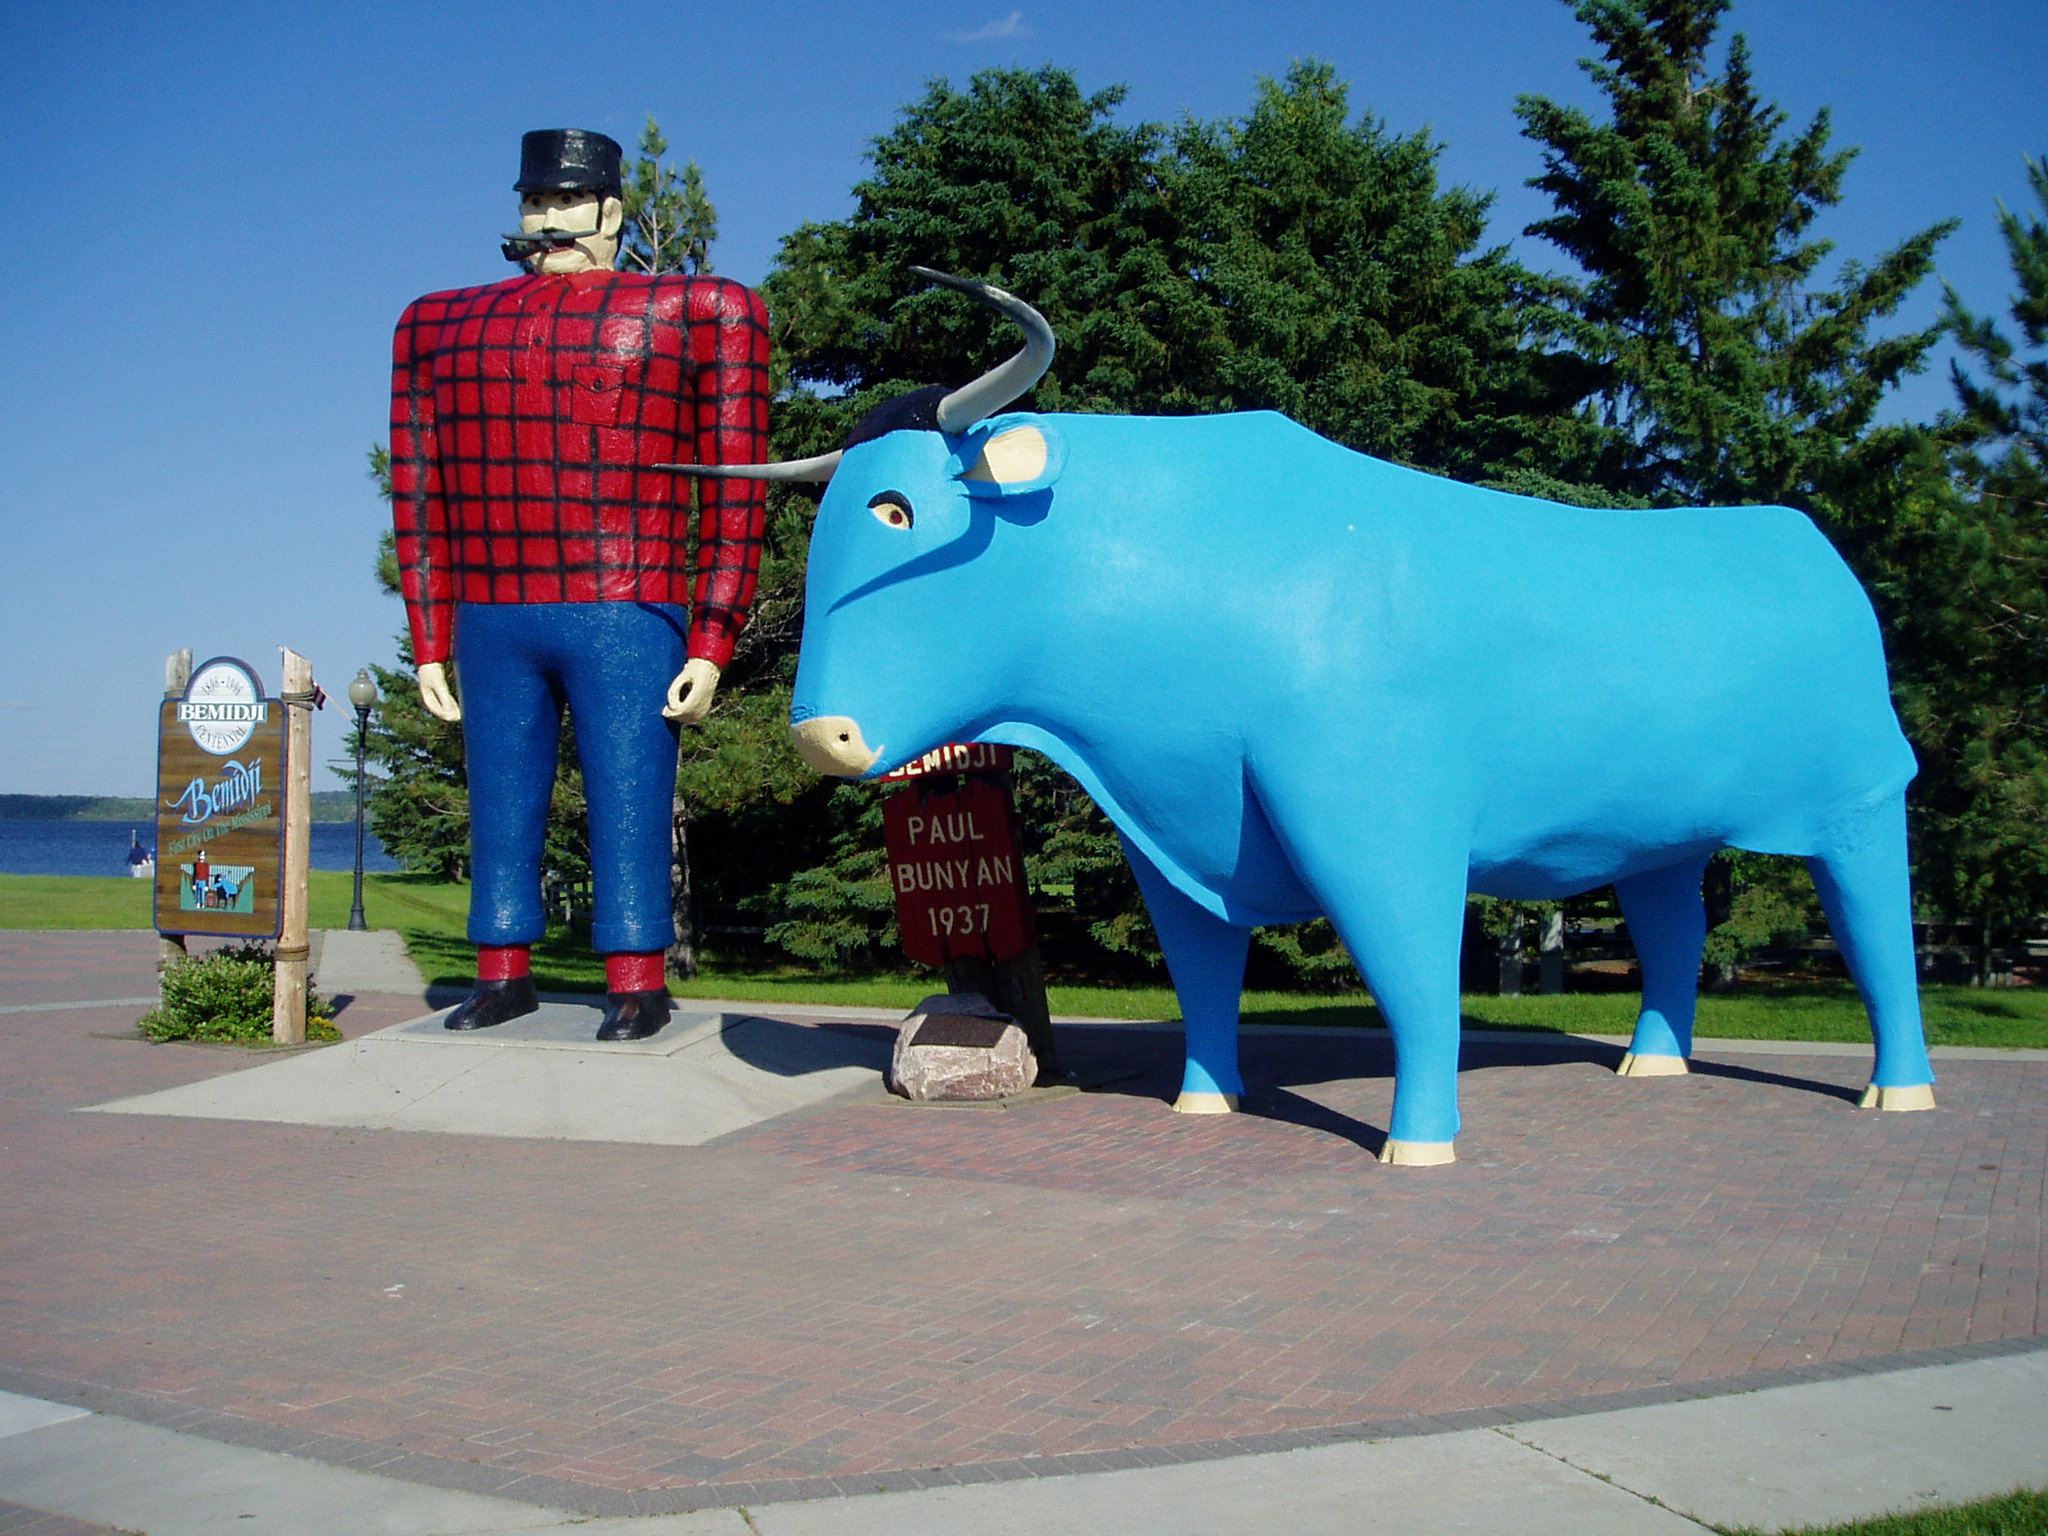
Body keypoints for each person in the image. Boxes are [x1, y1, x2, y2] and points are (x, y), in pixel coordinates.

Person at [388, 128, 770, 1041]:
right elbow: (418, 488)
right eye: (534, 203)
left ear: (612, 211)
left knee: (630, 790)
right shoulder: (436, 324)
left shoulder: (703, 310)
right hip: (491, 602)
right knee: (501, 796)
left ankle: (636, 977)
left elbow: (737, 487)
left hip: (625, 599)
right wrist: (430, 632)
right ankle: (501, 968)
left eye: (565, 202)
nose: (549, 219)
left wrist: (713, 637)